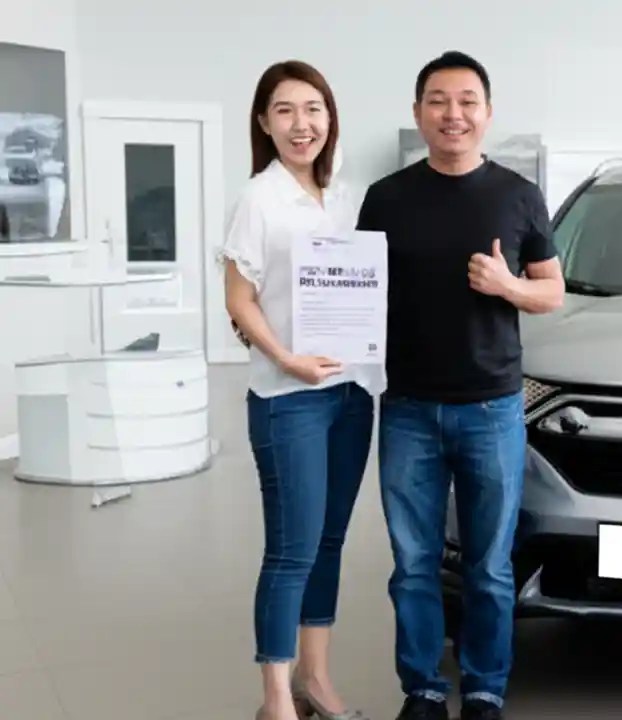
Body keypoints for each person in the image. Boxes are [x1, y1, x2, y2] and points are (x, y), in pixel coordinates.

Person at [357, 50, 565, 720]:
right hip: (408, 410)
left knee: (489, 567)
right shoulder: (385, 198)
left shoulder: (517, 195)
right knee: (413, 564)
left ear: (488, 112)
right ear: (418, 113)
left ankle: (483, 688)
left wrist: (506, 286)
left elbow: (552, 293)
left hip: (492, 410)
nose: (454, 114)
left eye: (467, 100)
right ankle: (420, 689)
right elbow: (357, 296)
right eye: (439, 101)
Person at [218, 60, 383, 720]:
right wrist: (287, 359)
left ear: (330, 118)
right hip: (290, 398)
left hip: (352, 393)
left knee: (330, 542)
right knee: (290, 548)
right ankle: (276, 698)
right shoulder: (259, 199)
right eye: (284, 110)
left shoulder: (344, 196)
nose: (301, 123)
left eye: (312, 109)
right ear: (264, 122)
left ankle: (315, 677)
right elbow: (238, 298)